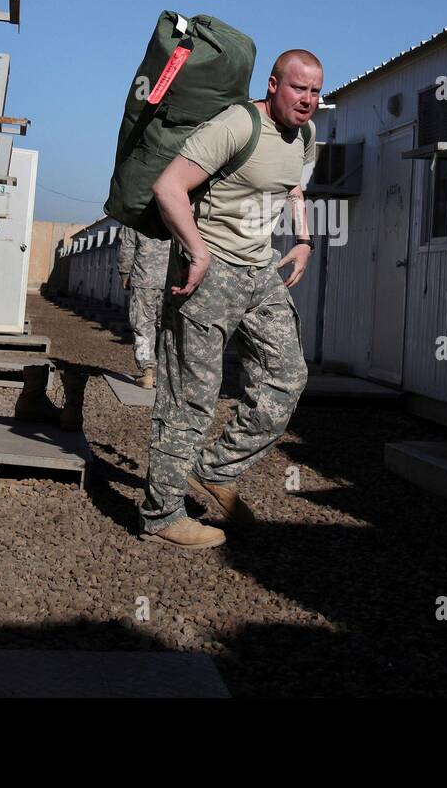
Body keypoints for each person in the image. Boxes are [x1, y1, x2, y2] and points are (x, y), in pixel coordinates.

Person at [139, 49, 321, 549]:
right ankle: (162, 515)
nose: (307, 100)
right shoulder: (236, 125)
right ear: (273, 84)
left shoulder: (304, 134)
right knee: (192, 395)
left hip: (260, 269)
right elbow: (169, 186)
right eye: (298, 88)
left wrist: (303, 239)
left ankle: (216, 471)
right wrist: (195, 252)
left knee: (287, 377)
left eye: (314, 91)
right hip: (211, 269)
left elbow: (294, 188)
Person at [116, 226, 170, 388]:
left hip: (143, 279)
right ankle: (166, 376)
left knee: (142, 326)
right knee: (168, 328)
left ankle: (147, 373)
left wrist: (125, 273)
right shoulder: (175, 207)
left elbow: (127, 247)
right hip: (171, 280)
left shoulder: (135, 213)